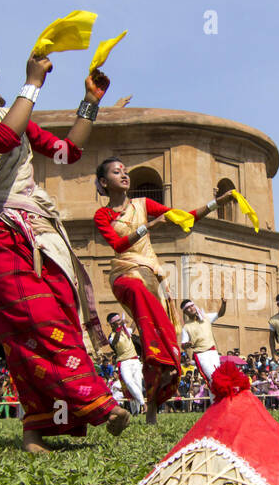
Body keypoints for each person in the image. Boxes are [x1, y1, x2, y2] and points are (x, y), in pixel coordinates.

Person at [0, 29, 128, 452]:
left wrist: (90, 100)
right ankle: (99, 403)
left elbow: (65, 153)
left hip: (36, 228)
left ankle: (36, 428)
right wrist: (32, 81)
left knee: (54, 318)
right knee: (34, 323)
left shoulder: (9, 117)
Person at [94, 157, 232, 423]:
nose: (124, 175)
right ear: (103, 182)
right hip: (125, 274)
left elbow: (184, 217)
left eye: (125, 170)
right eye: (116, 172)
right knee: (140, 298)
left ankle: (154, 403)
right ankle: (160, 358)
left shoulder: (144, 205)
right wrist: (148, 227)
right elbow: (118, 244)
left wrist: (217, 203)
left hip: (152, 275)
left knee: (163, 332)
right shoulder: (103, 215)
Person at [179, 298, 227, 384]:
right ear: (185, 312)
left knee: (217, 379)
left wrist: (224, 303)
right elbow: (183, 344)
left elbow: (220, 314)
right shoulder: (186, 327)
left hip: (213, 352)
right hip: (201, 354)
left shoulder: (205, 317)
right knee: (213, 377)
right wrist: (187, 344)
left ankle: (216, 397)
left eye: (192, 306)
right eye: (188, 308)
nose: (191, 308)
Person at [106, 312, 146, 416]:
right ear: (112, 324)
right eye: (117, 321)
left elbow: (134, 324)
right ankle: (143, 404)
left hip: (135, 361)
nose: (120, 322)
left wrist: (135, 311)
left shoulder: (126, 331)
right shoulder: (112, 336)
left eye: (120, 320)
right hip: (124, 362)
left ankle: (136, 412)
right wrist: (120, 328)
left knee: (138, 385)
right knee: (129, 383)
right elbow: (114, 342)